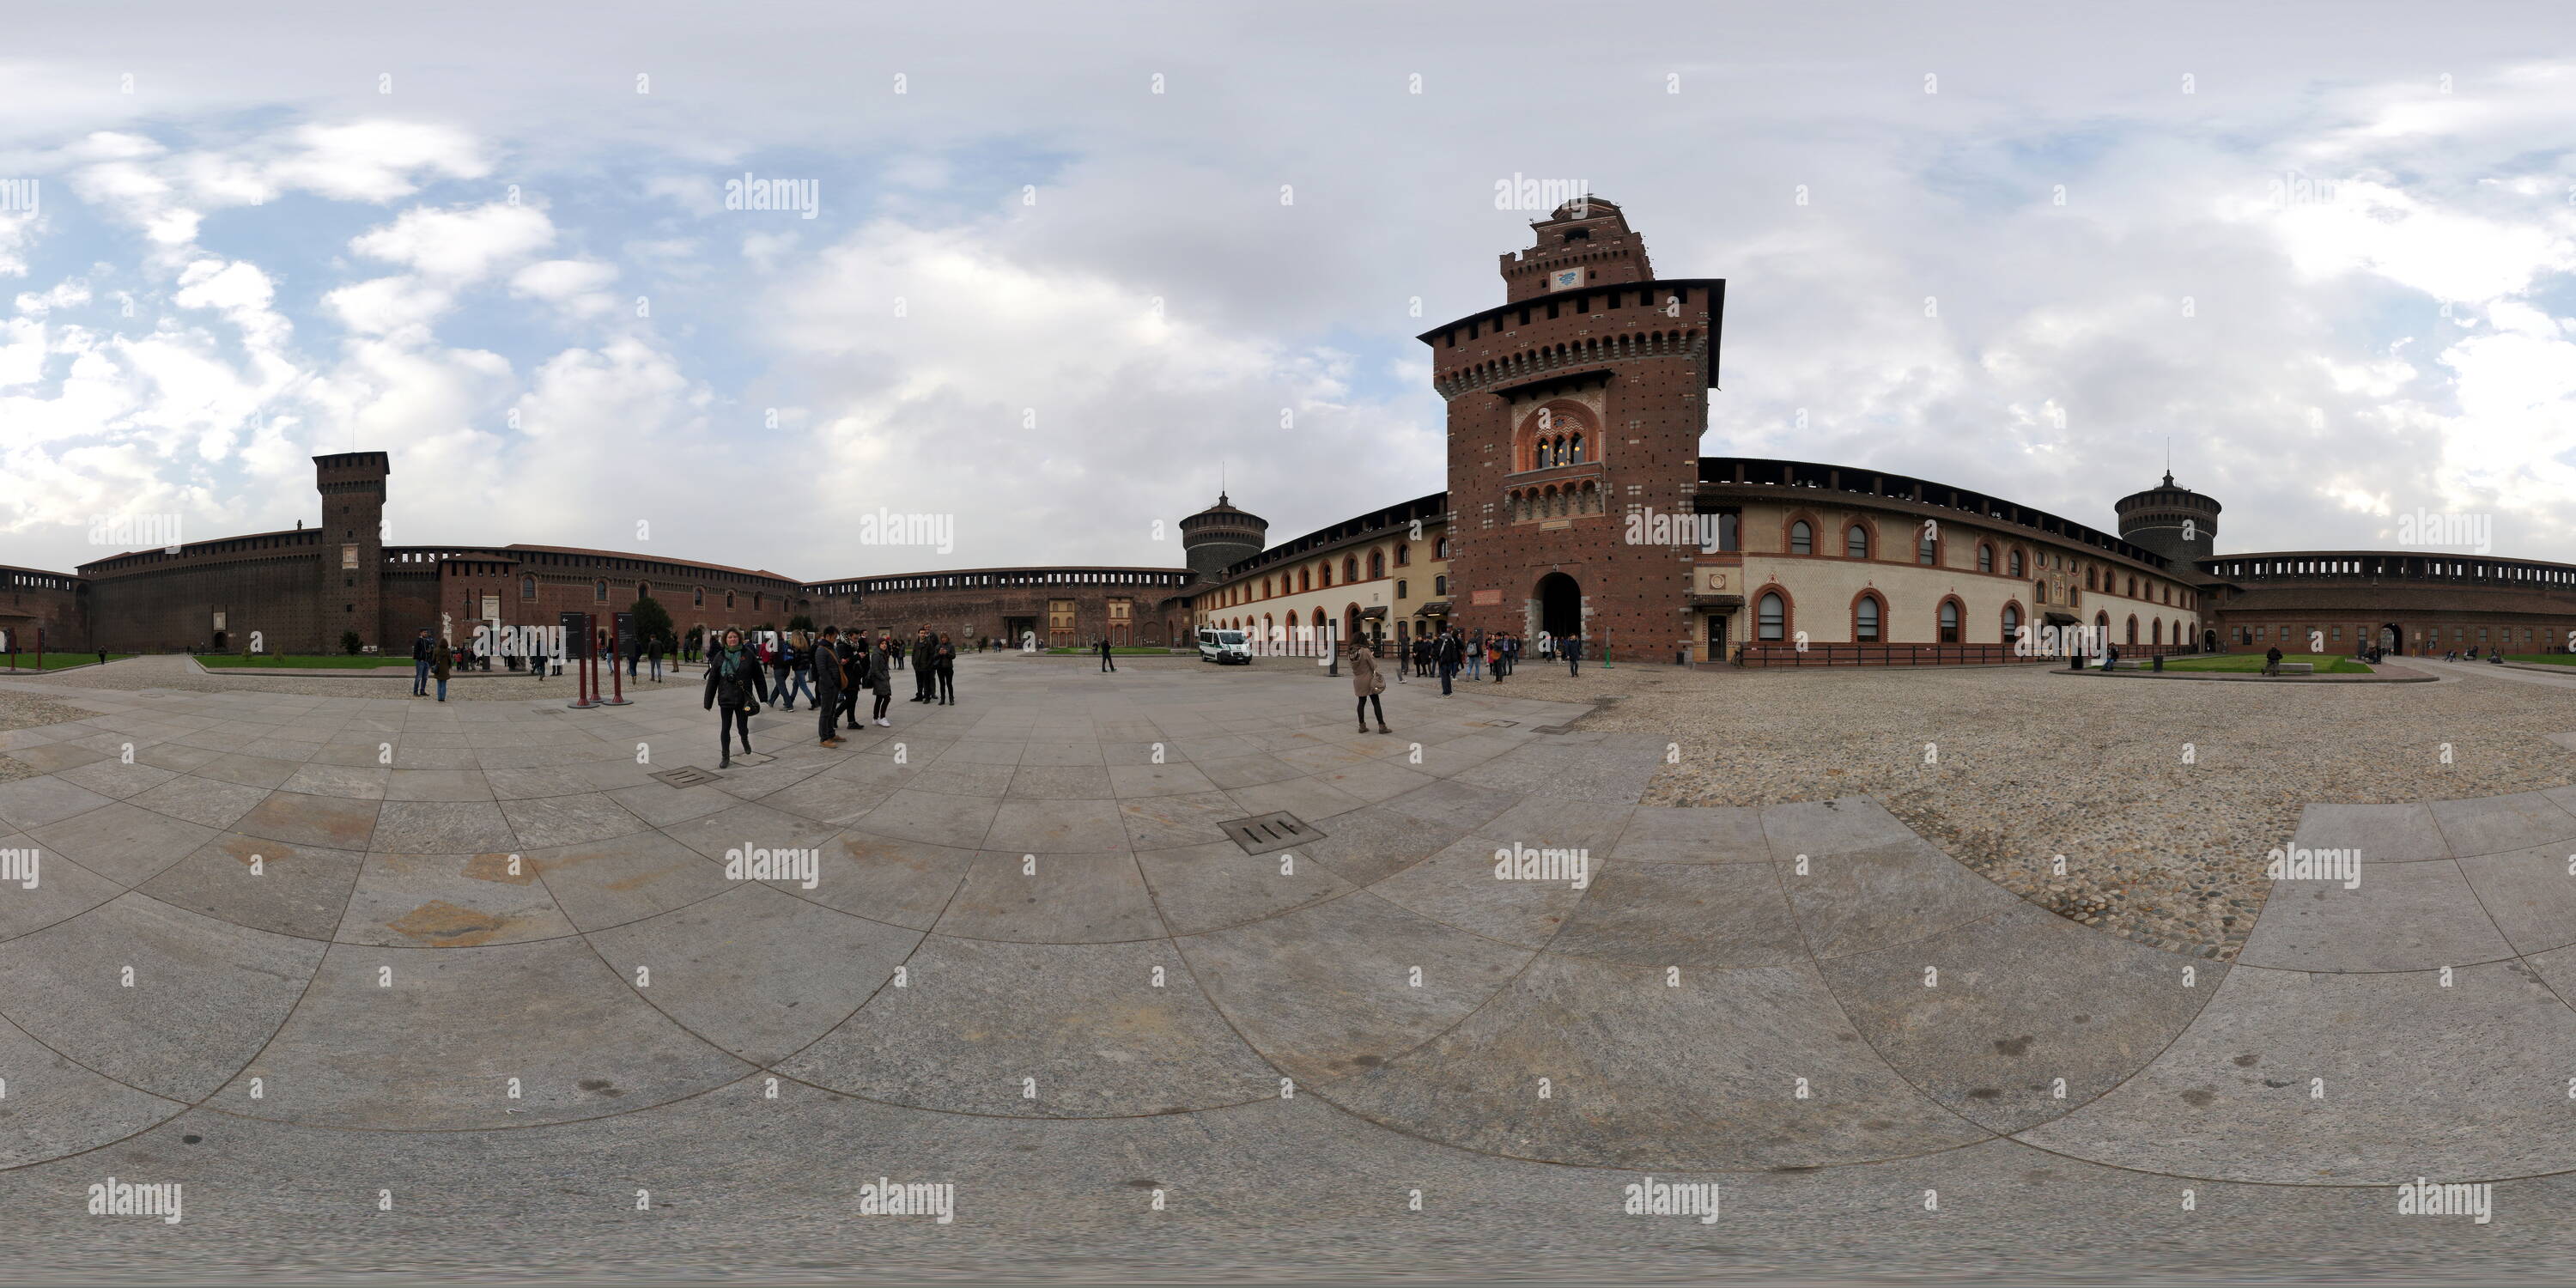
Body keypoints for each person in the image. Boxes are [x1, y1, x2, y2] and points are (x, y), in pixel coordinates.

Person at [702, 628, 769, 769]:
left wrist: (763, 696)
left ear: (739, 639)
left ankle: (744, 739)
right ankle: (725, 756)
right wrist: (708, 702)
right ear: (725, 640)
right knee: (725, 728)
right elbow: (713, 680)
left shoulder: (748, 655)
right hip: (725, 699)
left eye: (735, 637)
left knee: (742, 726)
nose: (732, 639)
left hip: (742, 699)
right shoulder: (720, 657)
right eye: (730, 637)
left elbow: (758, 676)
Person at [810, 627, 846, 748]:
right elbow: (822, 670)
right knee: (825, 713)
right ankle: (824, 738)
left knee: (831, 711)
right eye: (834, 637)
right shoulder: (821, 650)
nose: (835, 639)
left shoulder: (831, 648)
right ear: (828, 636)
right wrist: (831, 684)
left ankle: (831, 734)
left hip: (835, 685)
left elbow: (833, 665)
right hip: (827, 686)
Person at [1349, 641, 1388, 733]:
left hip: (1358, 680)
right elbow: (1374, 666)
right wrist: (1372, 656)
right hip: (1369, 681)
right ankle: (1382, 726)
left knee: (1361, 702)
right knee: (1376, 702)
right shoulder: (1365, 651)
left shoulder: (1351, 653)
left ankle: (1362, 726)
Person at [834, 631, 865, 732]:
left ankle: (851, 722)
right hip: (847, 677)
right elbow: (843, 662)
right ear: (849, 636)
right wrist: (857, 657)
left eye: (857, 638)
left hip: (854, 677)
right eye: (855, 638)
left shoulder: (853, 646)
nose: (856, 640)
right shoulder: (841, 646)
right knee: (851, 699)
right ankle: (835, 715)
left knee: (853, 699)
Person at [781, 633, 814, 711]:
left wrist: (791, 664)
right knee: (795, 684)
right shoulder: (805, 646)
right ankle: (791, 699)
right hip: (805, 667)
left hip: (799, 669)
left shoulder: (795, 647)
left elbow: (795, 659)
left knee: (803, 686)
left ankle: (813, 701)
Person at [870, 635, 896, 726]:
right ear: (878, 645)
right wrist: (883, 678)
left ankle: (875, 718)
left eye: (885, 643)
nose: (884, 645)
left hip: (883, 678)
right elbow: (874, 669)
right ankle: (882, 717)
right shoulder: (876, 654)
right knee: (887, 698)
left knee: (879, 698)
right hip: (880, 680)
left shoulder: (883, 653)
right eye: (882, 643)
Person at [934, 633, 957, 705]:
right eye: (942, 638)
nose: (943, 639)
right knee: (942, 684)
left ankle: (951, 699)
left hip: (948, 668)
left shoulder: (951, 646)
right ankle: (942, 699)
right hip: (940, 668)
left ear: (947, 638)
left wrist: (947, 653)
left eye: (945, 638)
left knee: (949, 684)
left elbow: (953, 656)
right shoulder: (938, 646)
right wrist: (939, 653)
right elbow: (934, 657)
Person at [1436, 629, 1460, 696]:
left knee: (1444, 677)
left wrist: (1438, 657)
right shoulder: (1451, 639)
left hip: (1443, 660)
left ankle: (1446, 692)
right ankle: (1449, 691)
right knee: (1448, 676)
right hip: (1450, 661)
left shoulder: (1442, 639)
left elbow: (1439, 651)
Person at [411, 628, 433, 696]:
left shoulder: (426, 641)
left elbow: (427, 650)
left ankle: (422, 691)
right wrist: (420, 658)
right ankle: (415, 692)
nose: (426, 633)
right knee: (418, 677)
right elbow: (416, 651)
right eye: (424, 632)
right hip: (420, 662)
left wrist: (429, 651)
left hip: (426, 662)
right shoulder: (418, 641)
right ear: (421, 633)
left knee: (425, 677)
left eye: (426, 632)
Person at [430, 636, 453, 702]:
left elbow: (433, 659)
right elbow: (449, 660)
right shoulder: (448, 651)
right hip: (445, 669)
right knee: (444, 684)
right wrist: (449, 666)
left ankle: (439, 697)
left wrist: (435, 664)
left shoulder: (436, 650)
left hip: (438, 669)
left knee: (439, 684)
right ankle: (443, 698)